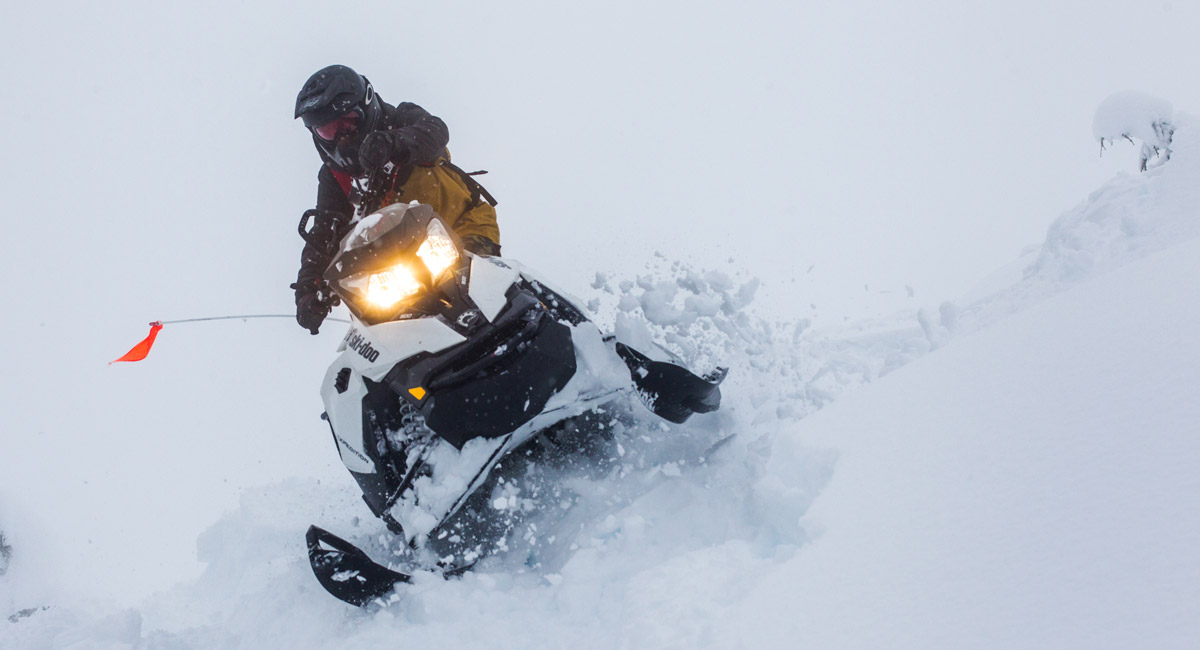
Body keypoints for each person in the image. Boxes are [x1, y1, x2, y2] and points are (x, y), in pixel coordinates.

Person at [290, 64, 501, 334]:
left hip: (463, 231)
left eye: (348, 123)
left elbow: (436, 131)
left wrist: (394, 142)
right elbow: (324, 232)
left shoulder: (401, 117)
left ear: (366, 108)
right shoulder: (334, 176)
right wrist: (308, 289)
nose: (342, 137)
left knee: (485, 295)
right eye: (329, 131)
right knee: (381, 332)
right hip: (402, 272)